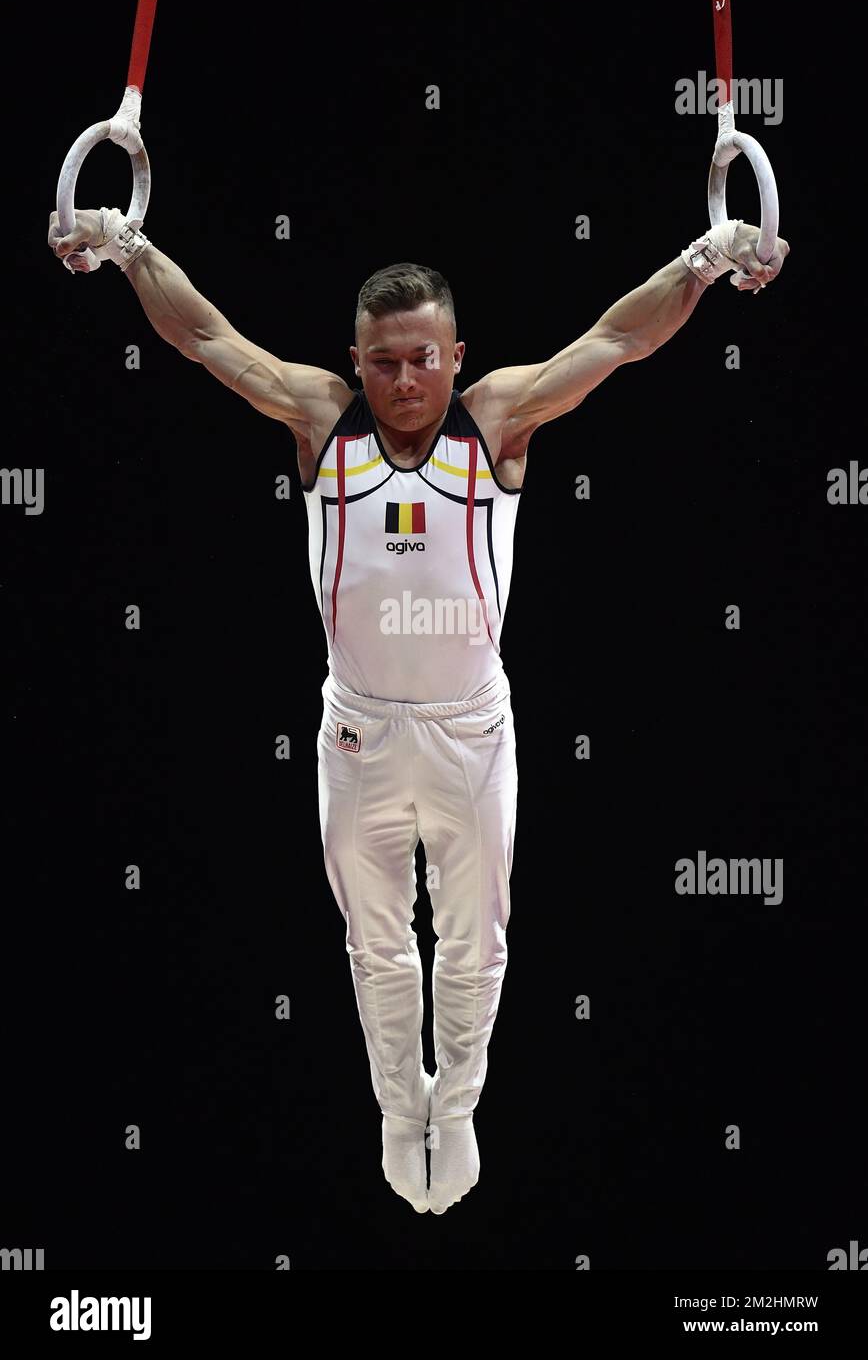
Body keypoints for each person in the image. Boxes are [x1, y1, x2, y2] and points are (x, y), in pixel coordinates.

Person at [47, 205, 790, 1214]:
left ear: (457, 355)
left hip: (471, 735)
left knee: (477, 945)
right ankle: (401, 1111)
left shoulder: (497, 419)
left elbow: (615, 339)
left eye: (425, 358)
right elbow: (207, 337)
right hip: (355, 733)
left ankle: (460, 1107)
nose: (406, 380)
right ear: (354, 361)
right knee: (378, 946)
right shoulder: (320, 418)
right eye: (386, 361)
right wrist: (128, 246)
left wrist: (705, 260)